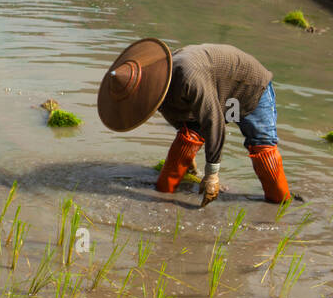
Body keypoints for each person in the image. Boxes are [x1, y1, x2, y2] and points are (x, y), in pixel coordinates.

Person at [97, 39, 292, 205]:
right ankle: (163, 195)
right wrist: (189, 160)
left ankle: (280, 205)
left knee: (262, 148)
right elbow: (180, 120)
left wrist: (211, 174)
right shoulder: (157, 88)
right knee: (187, 138)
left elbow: (214, 122)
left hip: (249, 87)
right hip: (214, 87)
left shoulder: (189, 78)